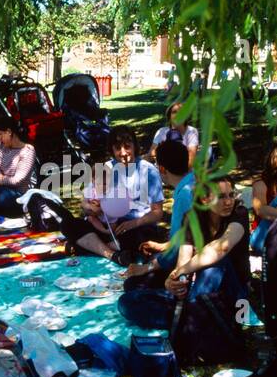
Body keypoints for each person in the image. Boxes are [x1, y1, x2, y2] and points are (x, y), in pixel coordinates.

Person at [54, 126, 165, 262]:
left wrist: (134, 223)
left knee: (140, 237)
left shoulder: (148, 170)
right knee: (68, 224)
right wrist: (89, 208)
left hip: (136, 226)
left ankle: (87, 247)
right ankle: (113, 254)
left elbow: (157, 212)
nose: (123, 153)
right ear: (112, 150)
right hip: (106, 224)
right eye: (118, 148)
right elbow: (85, 201)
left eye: (127, 146)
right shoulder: (105, 168)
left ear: (135, 146)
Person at [164, 175, 251, 307]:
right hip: (202, 288)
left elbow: (222, 248)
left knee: (215, 262)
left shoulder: (240, 213)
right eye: (221, 197)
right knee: (128, 301)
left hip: (235, 291)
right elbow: (183, 261)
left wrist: (182, 270)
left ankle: (190, 314)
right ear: (204, 200)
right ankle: (190, 314)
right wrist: (175, 282)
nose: (228, 202)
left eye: (231, 195)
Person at [124, 139, 195, 288]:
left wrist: (145, 268)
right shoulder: (194, 181)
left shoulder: (184, 195)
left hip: (191, 267)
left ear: (162, 169)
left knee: (132, 285)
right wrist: (163, 246)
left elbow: (175, 253)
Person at [0, 116, 38, 217]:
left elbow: (17, 181)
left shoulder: (27, 151)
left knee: (0, 196)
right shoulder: (1, 146)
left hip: (17, 194)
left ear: (9, 131)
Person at [149, 102, 200, 167]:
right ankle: (131, 174)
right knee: (134, 160)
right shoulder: (161, 131)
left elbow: (190, 160)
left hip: (181, 171)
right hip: (160, 169)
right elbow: (151, 154)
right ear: (169, 116)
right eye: (174, 112)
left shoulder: (191, 131)